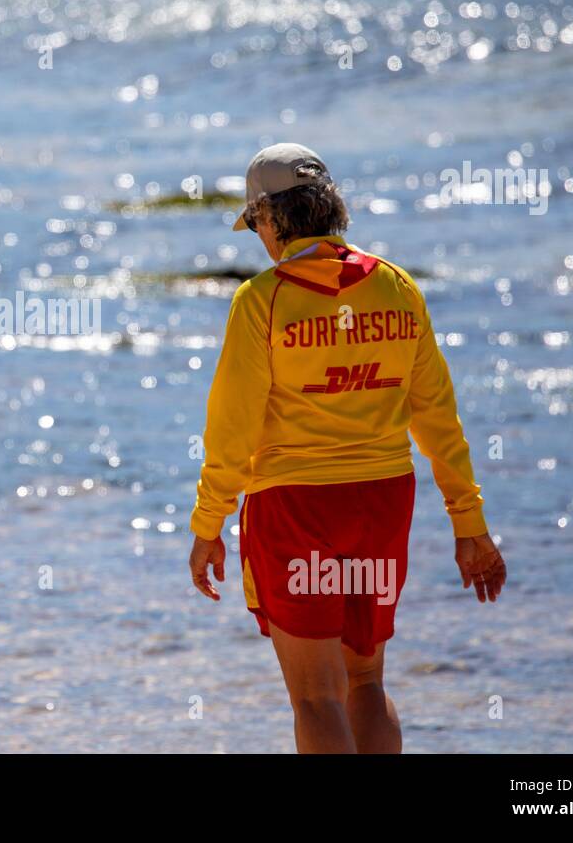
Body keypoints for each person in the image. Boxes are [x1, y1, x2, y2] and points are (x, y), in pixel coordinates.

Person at [187, 142, 506, 753]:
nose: (258, 238)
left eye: (255, 223)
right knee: (365, 680)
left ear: (274, 218)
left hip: (297, 506)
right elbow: (438, 417)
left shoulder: (261, 301)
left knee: (315, 696)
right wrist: (470, 524)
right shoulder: (398, 287)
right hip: (383, 502)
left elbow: (232, 431)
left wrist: (209, 524)